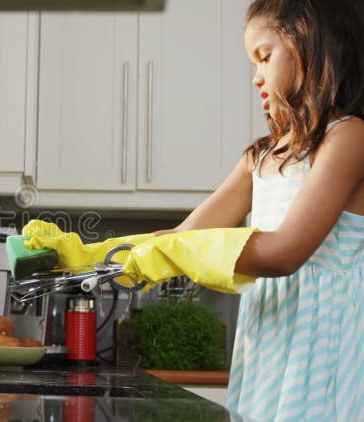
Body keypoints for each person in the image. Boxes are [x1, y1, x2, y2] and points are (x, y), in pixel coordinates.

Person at [154, 0, 364, 419]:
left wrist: (177, 254)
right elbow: (184, 237)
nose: (255, 77)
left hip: (324, 351)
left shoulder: (349, 139)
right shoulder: (261, 157)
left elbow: (283, 253)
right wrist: (101, 257)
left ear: (311, 44)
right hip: (268, 348)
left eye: (265, 56)